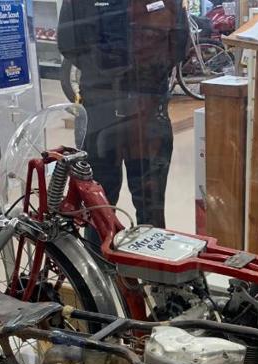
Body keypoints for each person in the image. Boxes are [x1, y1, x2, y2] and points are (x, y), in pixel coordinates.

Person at [58, 0, 188, 227]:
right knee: (103, 204)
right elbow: (179, 46)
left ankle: (114, 260)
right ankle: (134, 260)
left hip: (125, 111)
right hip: (132, 110)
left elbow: (69, 45)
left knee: (106, 204)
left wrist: (103, 72)